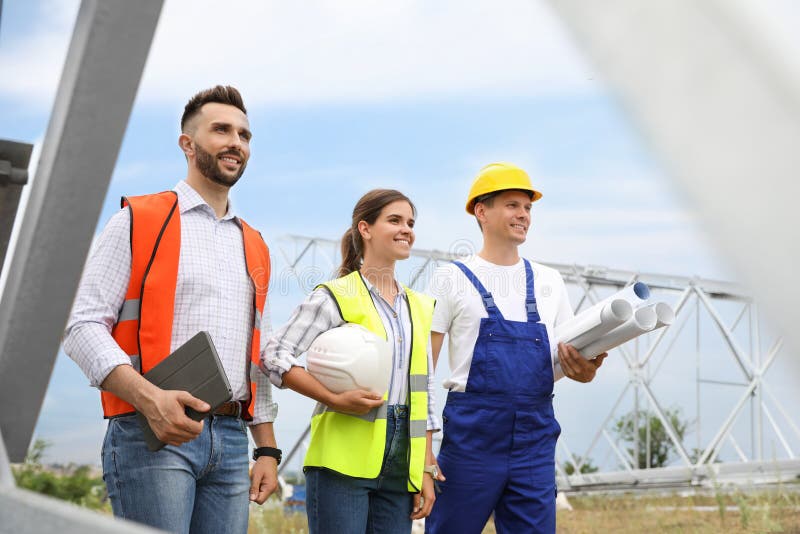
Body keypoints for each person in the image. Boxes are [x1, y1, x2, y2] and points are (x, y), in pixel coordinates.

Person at [63, 85, 280, 533]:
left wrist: (267, 449)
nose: (236, 142)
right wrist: (151, 399)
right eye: (221, 130)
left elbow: (255, 355)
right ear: (188, 143)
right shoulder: (137, 219)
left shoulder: (254, 243)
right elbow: (81, 325)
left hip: (231, 439)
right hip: (150, 434)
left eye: (244, 134)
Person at [424, 163, 607, 534]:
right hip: (470, 438)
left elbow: (569, 366)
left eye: (527, 208)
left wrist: (588, 367)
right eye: (512, 205)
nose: (523, 215)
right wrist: (423, 449)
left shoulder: (550, 281)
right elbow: (422, 370)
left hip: (535, 439)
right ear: (481, 211)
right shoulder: (450, 279)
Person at [264, 189, 441, 534]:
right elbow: (274, 355)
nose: (406, 229)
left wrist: (425, 467)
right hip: (339, 467)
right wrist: (332, 398)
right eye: (395, 220)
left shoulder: (420, 307)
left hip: (400, 466)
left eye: (410, 222)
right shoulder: (335, 295)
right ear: (365, 228)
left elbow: (424, 393)